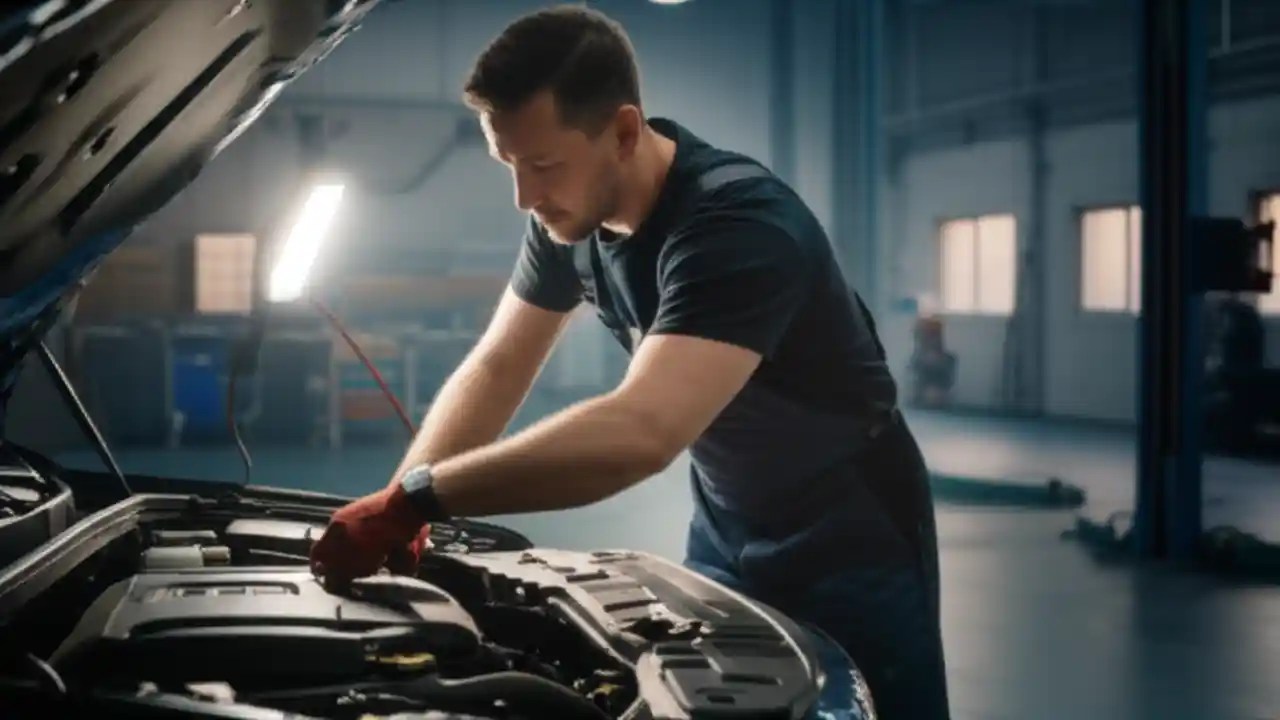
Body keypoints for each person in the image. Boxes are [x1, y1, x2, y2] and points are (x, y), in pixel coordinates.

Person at [309, 6, 950, 717]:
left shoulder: (738, 228)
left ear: (622, 132)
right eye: (509, 165)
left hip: (850, 531)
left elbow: (641, 431)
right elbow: (498, 365)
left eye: (543, 165)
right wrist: (395, 510)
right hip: (728, 520)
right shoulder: (567, 222)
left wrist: (414, 499)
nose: (525, 197)